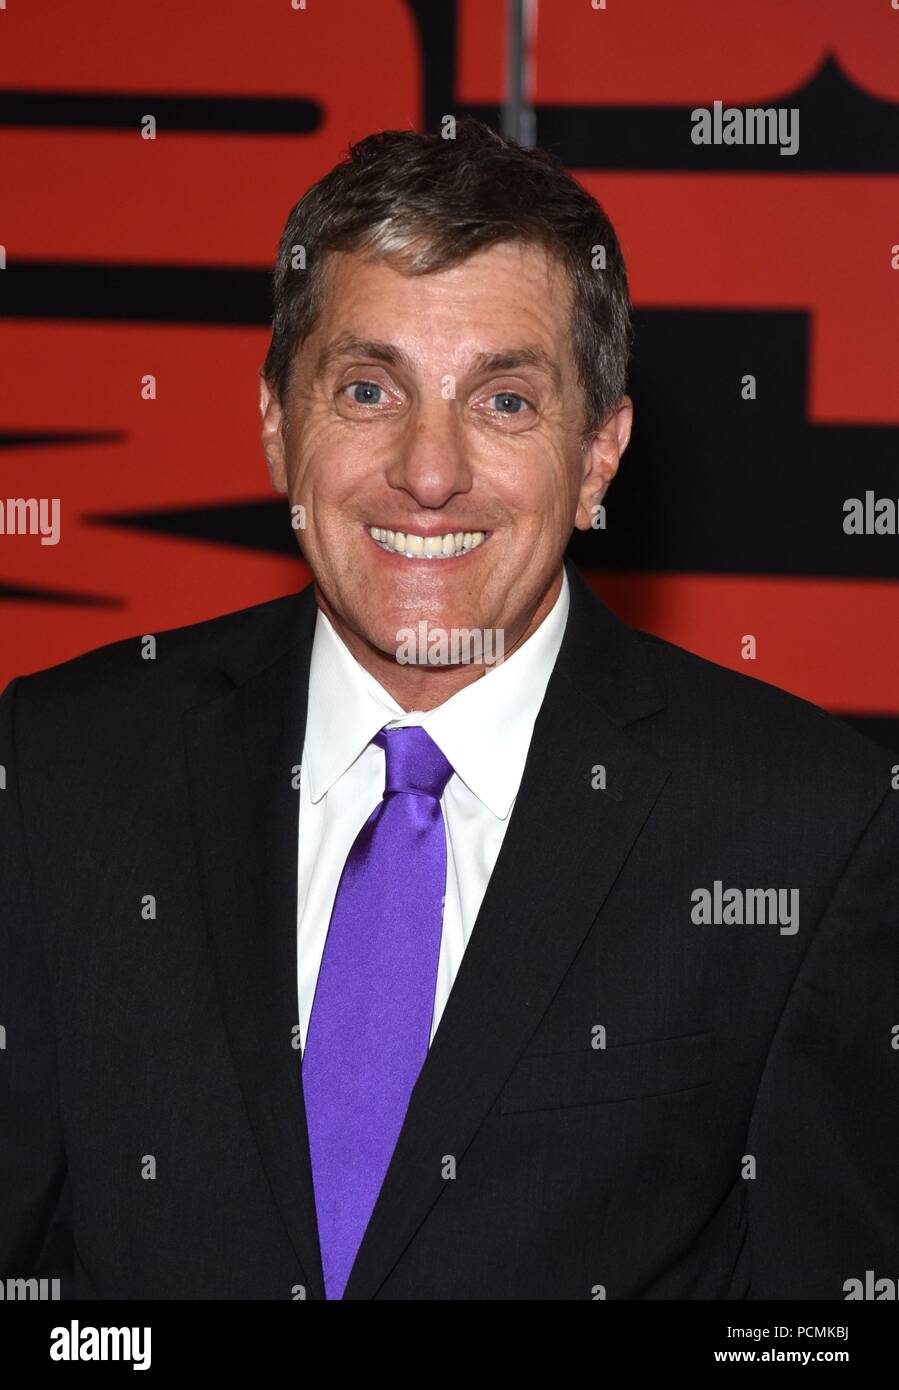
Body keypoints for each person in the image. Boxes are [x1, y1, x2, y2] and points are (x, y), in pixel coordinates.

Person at [1, 120, 896, 1300]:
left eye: (505, 401)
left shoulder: (804, 826)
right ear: (277, 423)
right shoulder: (61, 769)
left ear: (596, 458)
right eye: (368, 388)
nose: (428, 472)